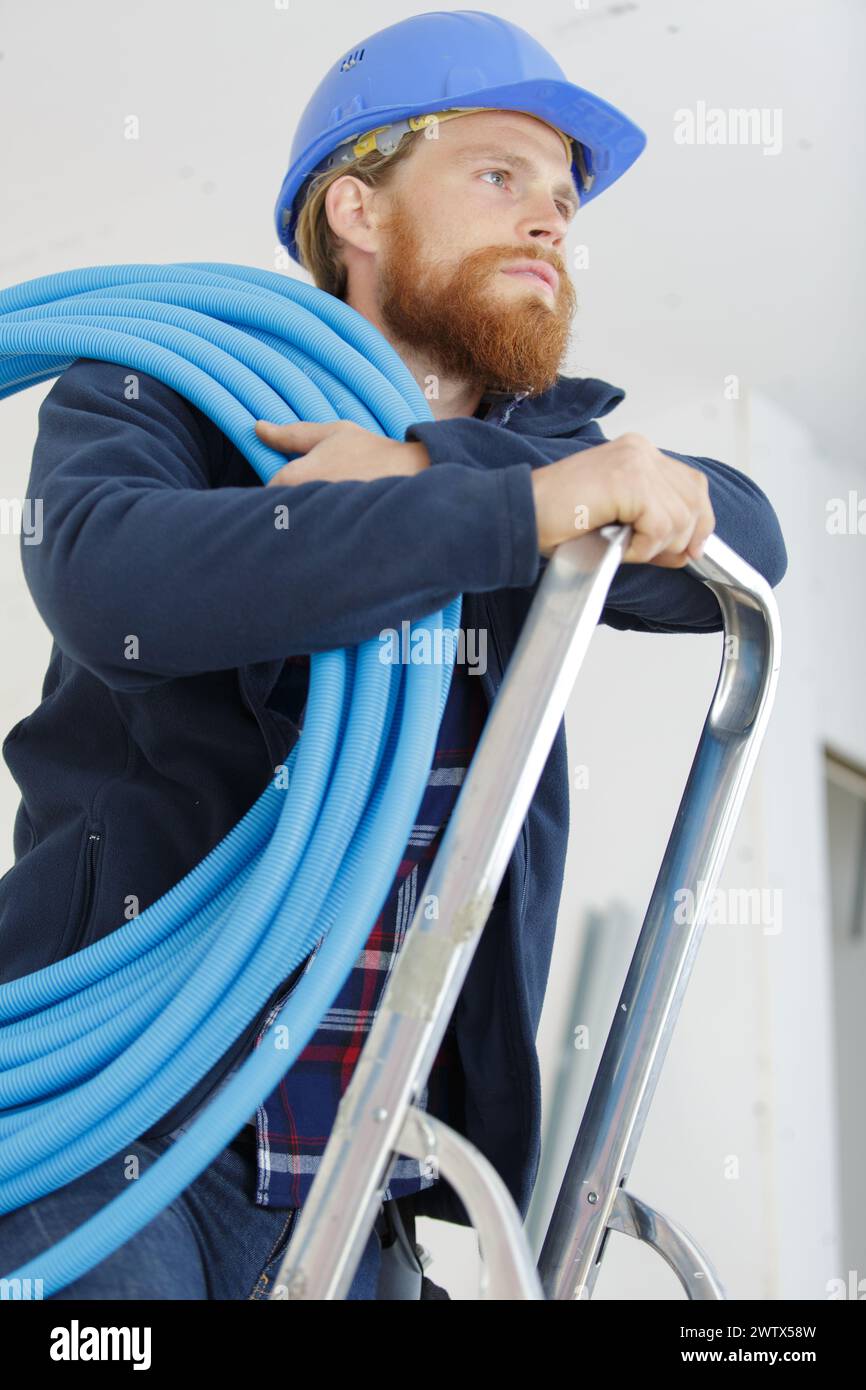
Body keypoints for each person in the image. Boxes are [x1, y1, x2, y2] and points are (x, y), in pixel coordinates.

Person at [0, 10, 787, 1300]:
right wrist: (505, 514)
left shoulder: (566, 469)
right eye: (499, 175)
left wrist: (438, 472)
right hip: (117, 1146)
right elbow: (110, 578)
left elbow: (739, 537)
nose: (550, 220)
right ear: (358, 209)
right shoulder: (167, 392)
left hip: (371, 1184)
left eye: (562, 197)